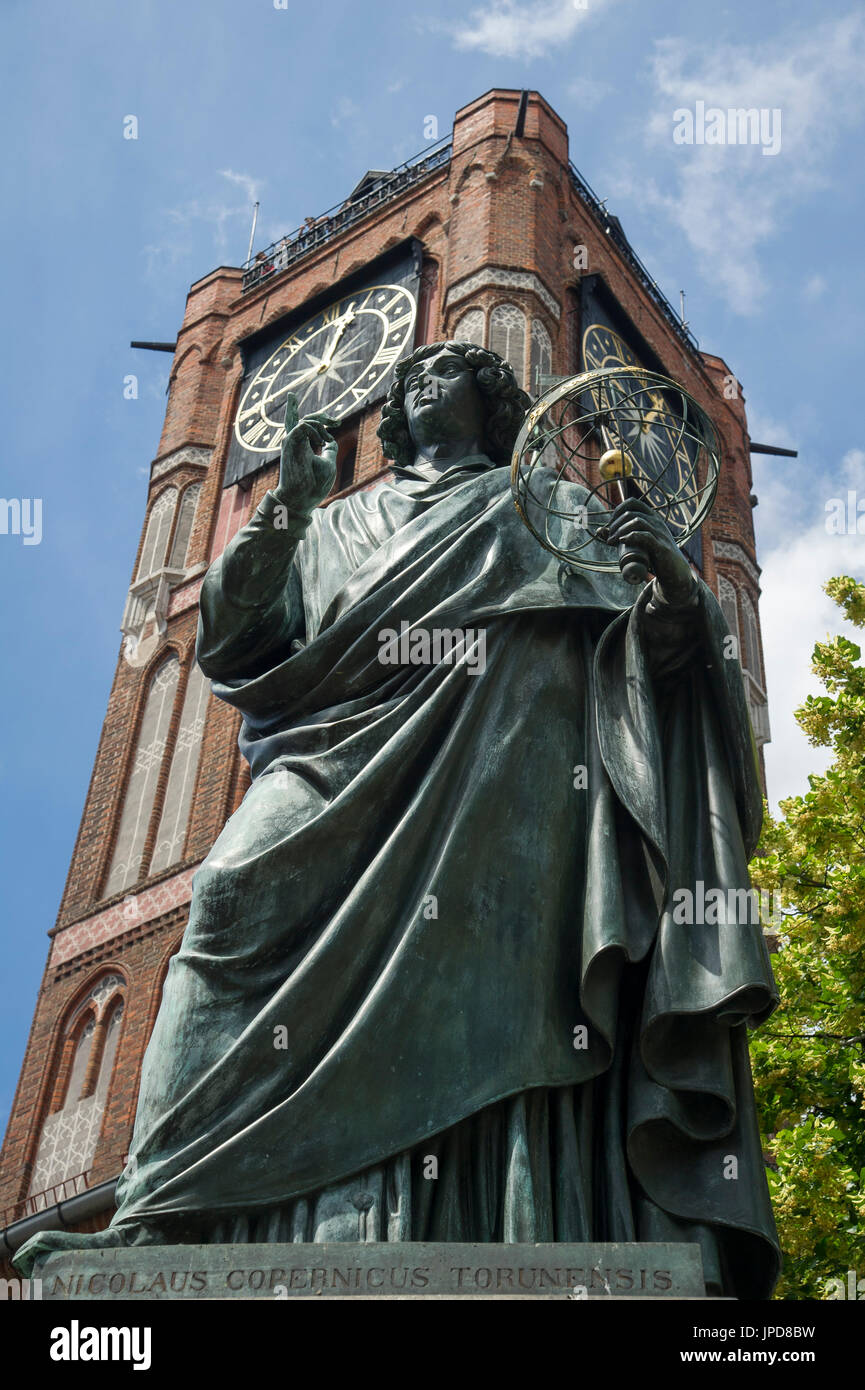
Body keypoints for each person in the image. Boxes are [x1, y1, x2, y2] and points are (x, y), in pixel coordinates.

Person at [15, 342, 779, 1297]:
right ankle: (162, 1209)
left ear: (496, 405)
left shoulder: (550, 506)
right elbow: (239, 641)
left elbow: (649, 656)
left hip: (507, 764)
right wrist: (284, 510)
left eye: (453, 370)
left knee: (494, 984)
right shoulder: (332, 522)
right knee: (222, 912)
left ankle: (496, 1226)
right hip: (332, 754)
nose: (425, 381)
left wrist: (676, 588)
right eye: (411, 378)